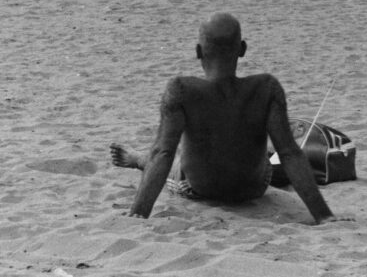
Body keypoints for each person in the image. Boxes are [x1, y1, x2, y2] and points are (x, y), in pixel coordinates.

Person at [110, 12, 337, 225]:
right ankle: (139, 159)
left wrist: (139, 212)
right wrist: (323, 216)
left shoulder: (181, 90)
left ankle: (138, 160)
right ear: (242, 49)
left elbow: (163, 152)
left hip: (199, 188)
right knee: (264, 150)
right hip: (254, 187)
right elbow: (289, 152)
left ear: (198, 51)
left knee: (174, 158)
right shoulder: (267, 88)